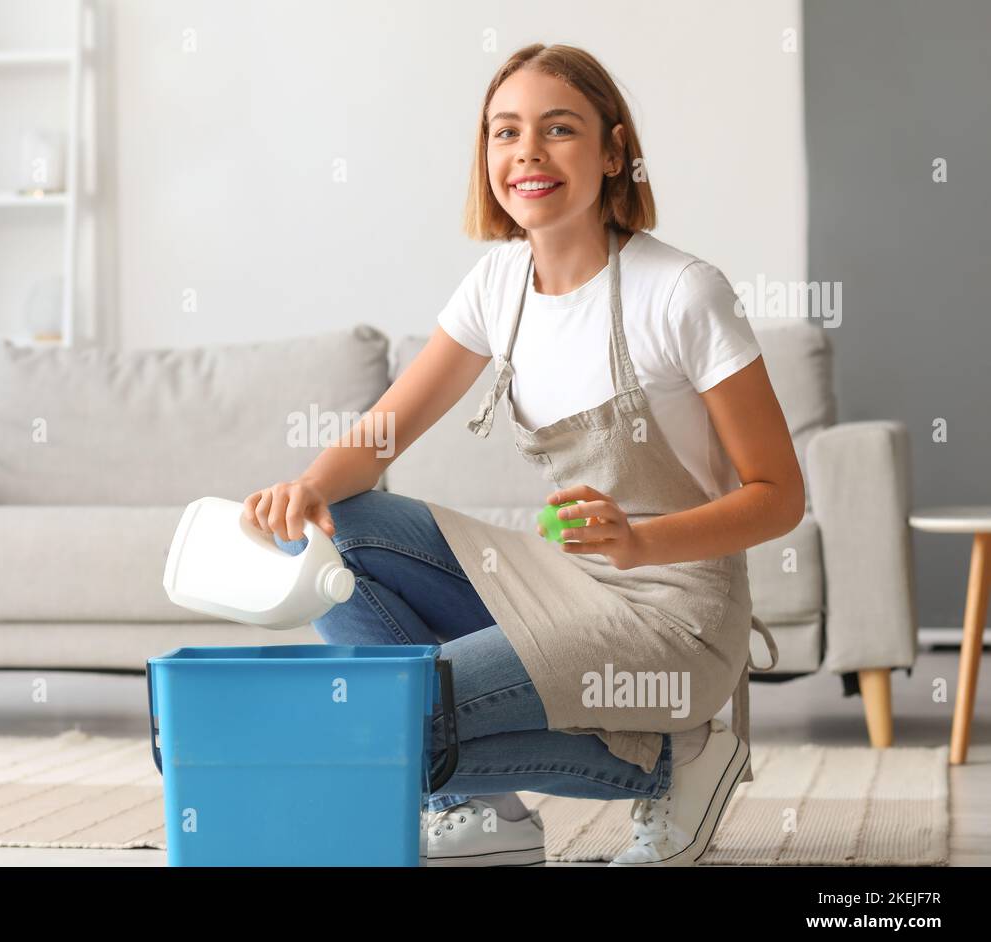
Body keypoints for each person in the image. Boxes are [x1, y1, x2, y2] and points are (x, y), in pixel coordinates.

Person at [244, 43, 799, 867]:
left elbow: (780, 495)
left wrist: (642, 542)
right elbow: (381, 437)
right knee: (338, 528)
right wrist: (304, 489)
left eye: (558, 129)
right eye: (505, 133)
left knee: (400, 713)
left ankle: (684, 757)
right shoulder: (497, 285)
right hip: (567, 582)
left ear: (613, 151)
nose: (527, 154)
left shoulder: (681, 291)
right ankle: (481, 808)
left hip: (673, 615)